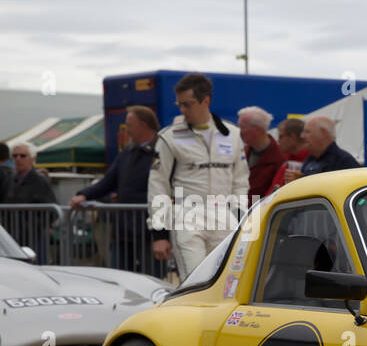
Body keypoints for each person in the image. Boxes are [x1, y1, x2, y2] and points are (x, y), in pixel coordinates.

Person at [148, 72, 250, 280]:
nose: (183, 110)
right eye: (180, 105)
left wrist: (239, 216)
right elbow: (157, 185)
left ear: (206, 101)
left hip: (224, 217)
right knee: (195, 282)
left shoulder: (232, 135)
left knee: (225, 282)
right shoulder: (169, 137)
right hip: (187, 217)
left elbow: (240, 180)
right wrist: (159, 233)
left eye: (188, 104)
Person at [70, 105, 160, 272]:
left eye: (130, 125)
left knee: (152, 279)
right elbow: (108, 181)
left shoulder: (162, 152)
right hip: (123, 231)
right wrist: (84, 195)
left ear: (144, 125)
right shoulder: (128, 152)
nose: (127, 130)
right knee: (120, 277)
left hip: (149, 232)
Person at [4, 143, 58, 262]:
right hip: (12, 238)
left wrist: (33, 227)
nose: (18, 159)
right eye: (15, 156)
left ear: (32, 159)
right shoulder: (10, 180)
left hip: (34, 239)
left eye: (23, 156)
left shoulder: (39, 181)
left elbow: (52, 210)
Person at [237, 105, 286, 199]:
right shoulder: (241, 152)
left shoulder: (279, 157)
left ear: (257, 130)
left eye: (242, 127)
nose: (239, 131)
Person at [268, 118, 309, 192]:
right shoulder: (286, 160)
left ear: (292, 137)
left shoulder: (311, 163)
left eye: (281, 136)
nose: (278, 141)